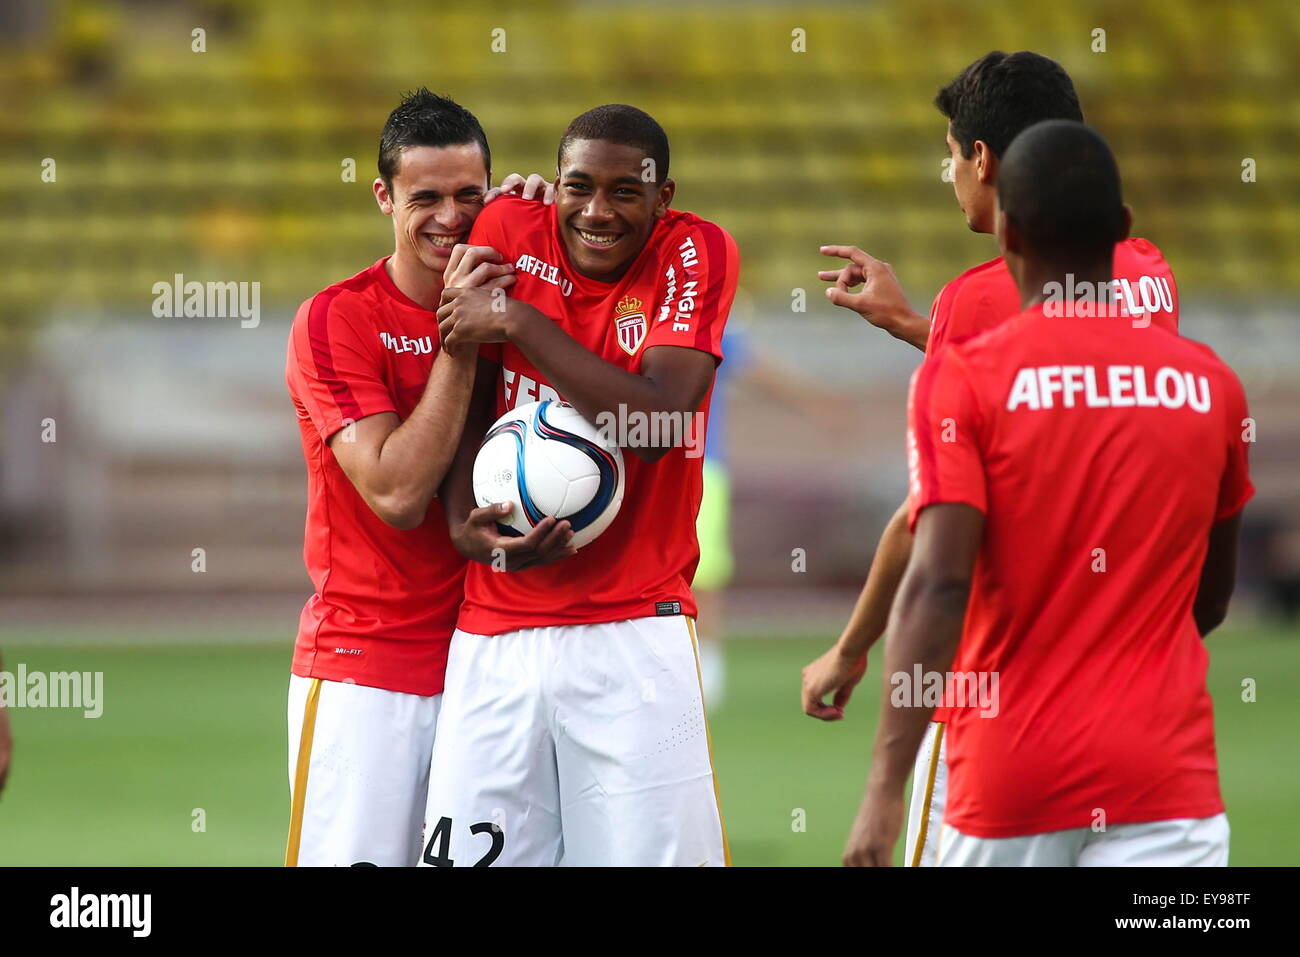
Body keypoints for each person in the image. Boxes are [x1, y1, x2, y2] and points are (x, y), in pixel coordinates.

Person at [801, 51, 1181, 866]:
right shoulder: (1151, 274)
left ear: (982, 159)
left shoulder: (972, 300)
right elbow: (1064, 391)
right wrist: (916, 325)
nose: (948, 173)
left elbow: (924, 525)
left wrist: (852, 646)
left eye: (950, 154)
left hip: (1003, 700)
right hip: (1140, 706)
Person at [843, 119, 1251, 867]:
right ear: (1123, 229)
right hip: (1169, 784)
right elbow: (1210, 599)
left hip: (1009, 782)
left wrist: (884, 786)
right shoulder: (1212, 383)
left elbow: (939, 583)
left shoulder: (964, 379)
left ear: (1008, 232)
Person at [425, 104, 739, 866]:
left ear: (663, 197)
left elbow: (659, 425)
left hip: (633, 631)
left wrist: (520, 322)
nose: (599, 211)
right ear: (555, 184)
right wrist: (464, 515)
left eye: (626, 191)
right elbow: (470, 379)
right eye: (579, 186)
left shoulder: (695, 250)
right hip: (494, 634)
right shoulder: (505, 228)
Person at [283, 87, 558, 866]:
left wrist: (555, 227)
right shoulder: (337, 318)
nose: (450, 218)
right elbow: (398, 494)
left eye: (472, 197)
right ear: (383, 197)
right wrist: (462, 337)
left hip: (489, 673)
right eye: (424, 197)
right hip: (367, 675)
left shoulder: (518, 298)